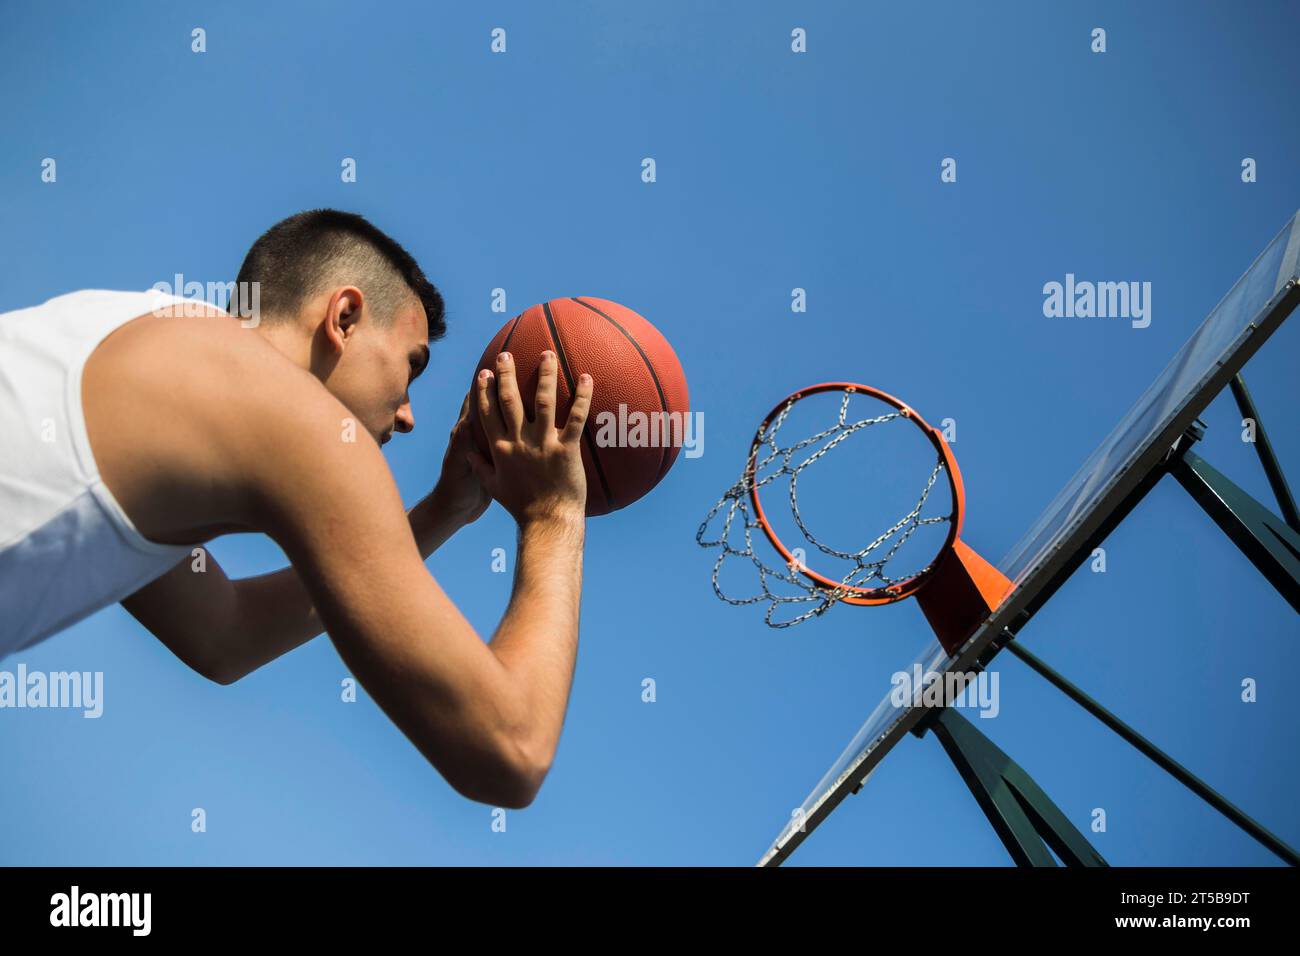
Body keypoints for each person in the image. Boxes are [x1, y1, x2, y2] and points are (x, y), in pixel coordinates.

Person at [0, 209, 593, 809]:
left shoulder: (129, 326)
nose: (409, 414)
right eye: (410, 367)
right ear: (344, 317)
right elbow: (510, 752)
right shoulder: (298, 417)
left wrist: (442, 511)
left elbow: (224, 634)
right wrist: (554, 514)